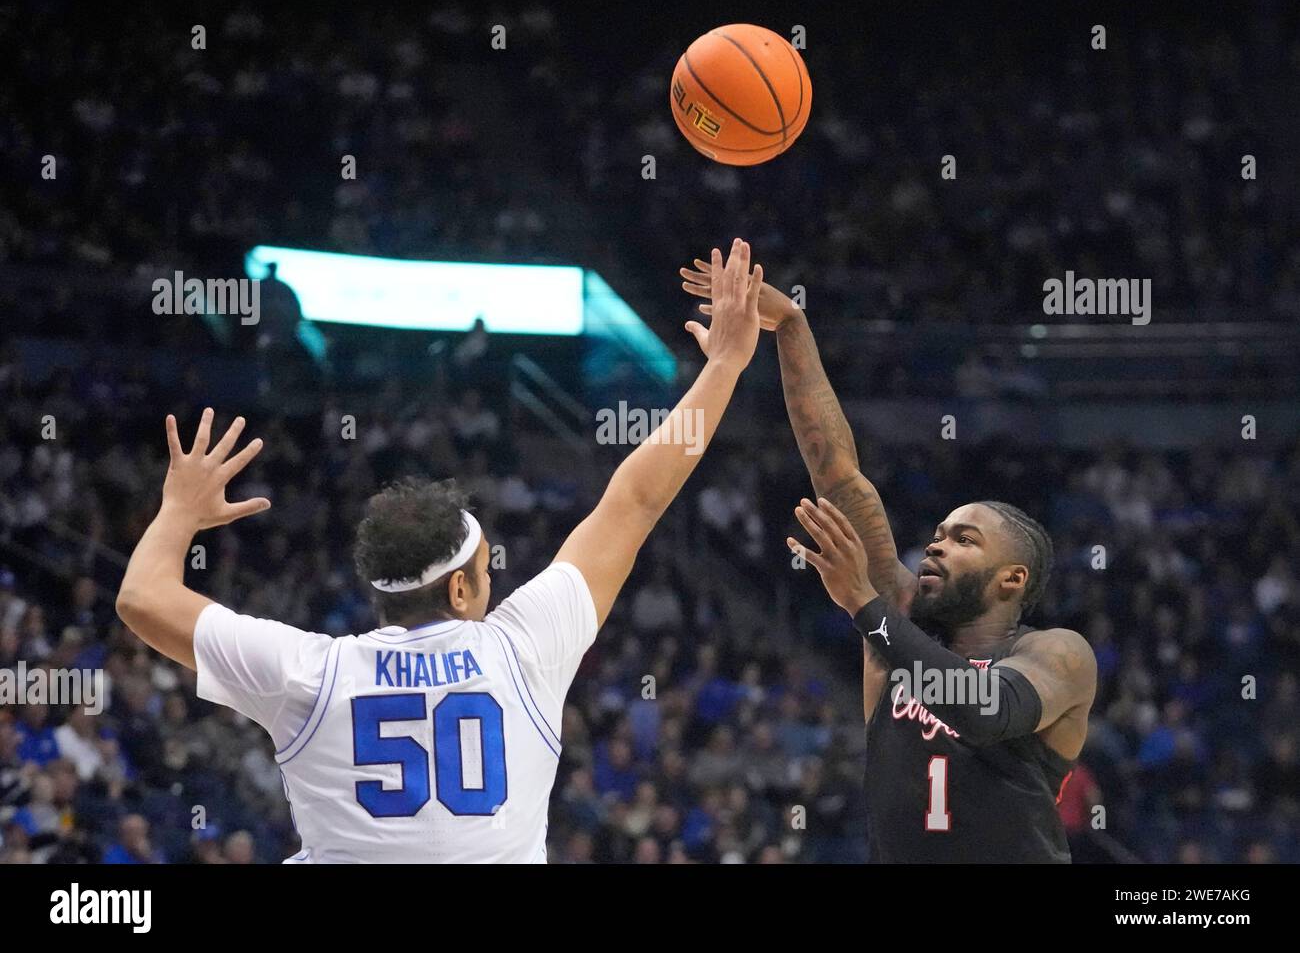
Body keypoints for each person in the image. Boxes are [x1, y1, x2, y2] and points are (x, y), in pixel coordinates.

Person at [115, 239, 764, 863]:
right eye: (487, 571)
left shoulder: (309, 674)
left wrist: (178, 511)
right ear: (458, 589)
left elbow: (142, 597)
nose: (494, 584)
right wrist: (724, 365)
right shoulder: (523, 650)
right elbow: (636, 500)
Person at [682, 251, 1096, 862]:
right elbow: (836, 471)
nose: (936, 543)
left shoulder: (1055, 653)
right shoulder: (897, 613)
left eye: (964, 539)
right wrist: (792, 328)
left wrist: (864, 604)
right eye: (939, 531)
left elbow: (986, 711)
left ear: (1013, 578)